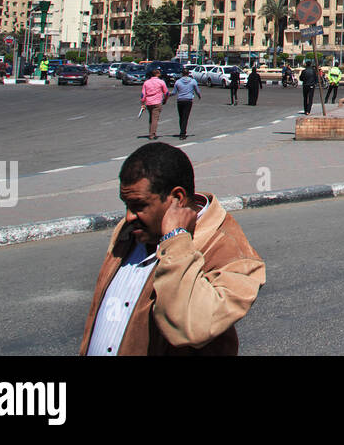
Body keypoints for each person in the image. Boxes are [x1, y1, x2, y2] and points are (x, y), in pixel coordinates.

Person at [79, 143, 265, 355]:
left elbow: (191, 329)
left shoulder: (231, 252)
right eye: (126, 205)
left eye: (139, 205)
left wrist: (176, 239)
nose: (129, 216)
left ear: (177, 199)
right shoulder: (131, 230)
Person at [140, 67, 170, 141]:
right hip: (157, 102)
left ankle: (151, 132)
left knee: (151, 118)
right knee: (155, 119)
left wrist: (143, 103)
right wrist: (165, 100)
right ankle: (152, 134)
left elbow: (143, 94)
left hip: (149, 102)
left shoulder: (146, 82)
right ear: (157, 74)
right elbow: (166, 92)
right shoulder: (161, 82)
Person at [171, 67, 202, 139]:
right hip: (188, 100)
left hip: (180, 100)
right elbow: (197, 90)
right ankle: (183, 133)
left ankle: (182, 131)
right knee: (185, 117)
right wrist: (199, 96)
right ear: (188, 74)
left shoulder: (178, 82)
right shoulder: (193, 81)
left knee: (181, 117)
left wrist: (168, 94)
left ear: (182, 74)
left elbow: (174, 92)